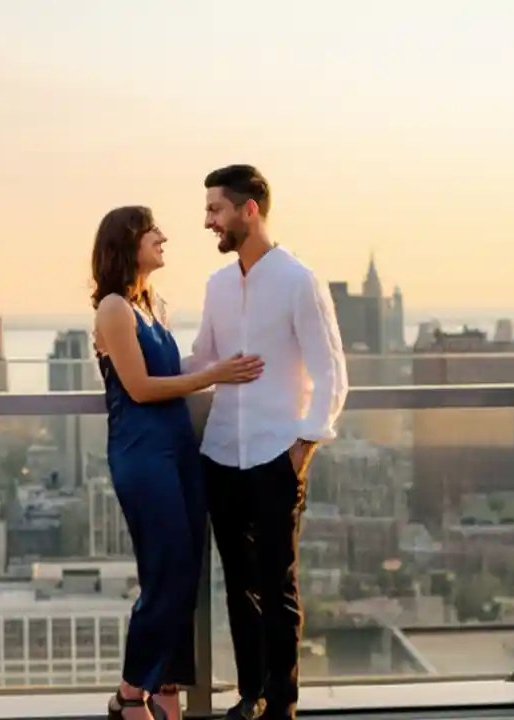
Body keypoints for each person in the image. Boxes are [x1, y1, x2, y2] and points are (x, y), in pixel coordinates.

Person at [91, 205, 265, 720]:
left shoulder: (154, 305)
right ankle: (128, 694)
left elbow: (174, 368)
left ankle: (165, 683)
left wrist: (218, 364)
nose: (164, 238)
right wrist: (215, 375)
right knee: (165, 574)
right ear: (129, 242)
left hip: (179, 451)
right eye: (153, 233)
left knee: (185, 572)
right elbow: (141, 388)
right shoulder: (114, 309)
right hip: (142, 454)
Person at [189, 165, 349, 720]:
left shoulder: (299, 280)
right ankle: (250, 696)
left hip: (275, 456)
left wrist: (304, 446)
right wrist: (133, 363)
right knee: (239, 587)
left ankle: (283, 704)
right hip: (220, 454)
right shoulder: (215, 286)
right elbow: (202, 361)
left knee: (278, 588)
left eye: (216, 210)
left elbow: (332, 373)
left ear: (248, 209)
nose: (208, 221)